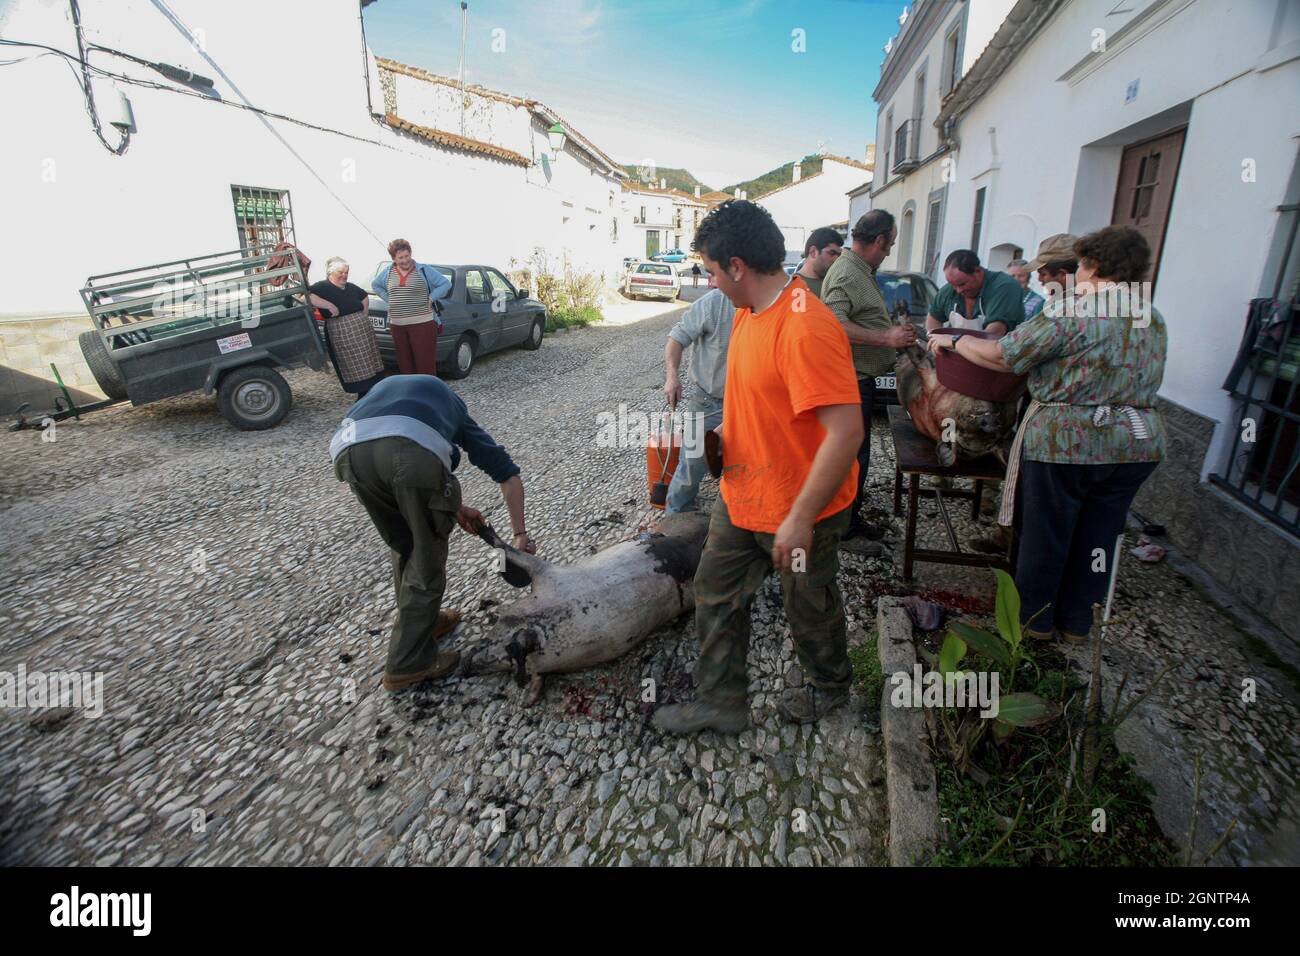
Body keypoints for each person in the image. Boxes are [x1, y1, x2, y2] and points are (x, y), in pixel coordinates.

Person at [651, 200, 864, 734]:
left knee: (807, 603)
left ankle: (830, 686)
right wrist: (724, 435)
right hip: (742, 493)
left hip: (801, 507)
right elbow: (759, 401)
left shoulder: (805, 327)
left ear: (738, 267)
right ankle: (722, 702)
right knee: (715, 592)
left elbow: (847, 433)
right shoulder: (745, 313)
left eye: (712, 271)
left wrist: (798, 520)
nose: (710, 281)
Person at [926, 226, 1164, 643]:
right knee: (1098, 538)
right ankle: (1076, 626)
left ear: (1091, 265)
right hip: (1136, 443)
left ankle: (1032, 627)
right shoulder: (1151, 314)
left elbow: (1003, 356)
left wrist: (956, 339)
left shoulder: (1075, 308)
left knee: (1046, 536)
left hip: (1069, 442)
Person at [330, 374, 536, 691]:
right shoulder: (453, 406)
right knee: (426, 556)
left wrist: (453, 507)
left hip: (349, 453)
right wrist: (519, 536)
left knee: (406, 544)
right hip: (407, 456)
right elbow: (506, 474)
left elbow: (397, 460)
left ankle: (424, 623)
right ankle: (408, 663)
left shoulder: (392, 391)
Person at [821, 210, 916, 553]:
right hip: (850, 382)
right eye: (889, 243)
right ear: (878, 241)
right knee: (852, 459)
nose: (889, 250)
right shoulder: (847, 271)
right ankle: (844, 532)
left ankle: (851, 519)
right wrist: (887, 339)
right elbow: (834, 326)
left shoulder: (861, 271)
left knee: (858, 457)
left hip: (860, 380)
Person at [663, 285, 735, 513]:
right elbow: (677, 338)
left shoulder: (769, 304)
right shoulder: (714, 302)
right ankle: (672, 523)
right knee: (691, 467)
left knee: (744, 469)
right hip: (709, 403)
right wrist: (672, 377)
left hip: (750, 405)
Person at [371, 239, 452, 377]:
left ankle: (427, 395)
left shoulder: (423, 269)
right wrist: (389, 299)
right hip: (397, 326)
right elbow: (376, 285)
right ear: (394, 259)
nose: (405, 260)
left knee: (425, 365)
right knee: (405, 366)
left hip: (423, 324)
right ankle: (411, 395)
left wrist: (432, 298)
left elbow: (445, 284)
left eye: (407, 256)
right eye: (400, 258)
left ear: (410, 254)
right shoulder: (388, 272)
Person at [310, 257, 384, 396]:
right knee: (356, 367)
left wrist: (364, 313)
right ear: (331, 272)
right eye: (341, 272)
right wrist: (329, 305)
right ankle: (363, 395)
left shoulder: (350, 286)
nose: (344, 275)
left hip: (363, 332)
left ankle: (373, 394)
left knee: (370, 363)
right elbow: (306, 297)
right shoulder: (322, 286)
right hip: (342, 333)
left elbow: (364, 296)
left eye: (346, 272)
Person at [926, 250, 1025, 336]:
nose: (958, 290)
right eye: (953, 285)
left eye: (962, 284)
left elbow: (995, 332)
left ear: (978, 271)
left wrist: (955, 342)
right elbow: (933, 317)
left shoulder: (1005, 286)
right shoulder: (949, 290)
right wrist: (936, 339)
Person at [794, 226, 844, 299]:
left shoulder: (837, 285)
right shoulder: (792, 286)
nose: (836, 260)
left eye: (839, 255)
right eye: (832, 253)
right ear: (813, 252)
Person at [1007, 258, 1045, 324]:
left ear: (1029, 277)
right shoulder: (1002, 297)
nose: (1016, 279)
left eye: (1021, 276)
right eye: (1012, 276)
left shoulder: (1039, 303)